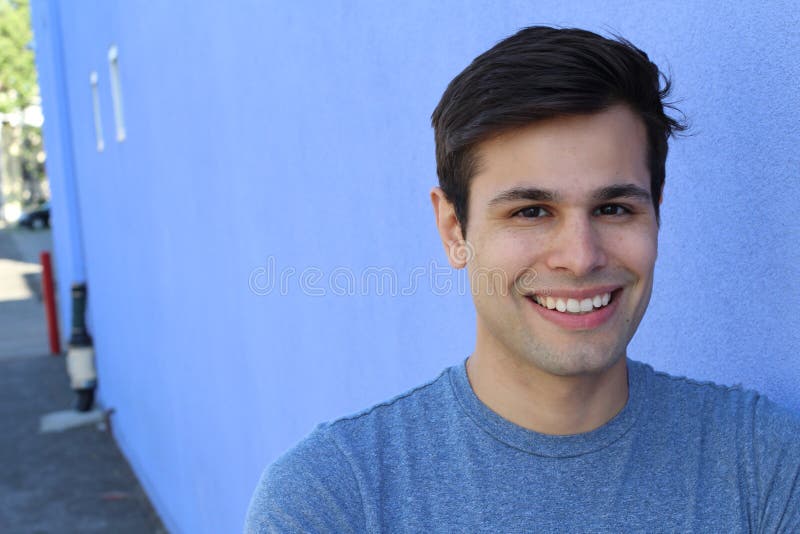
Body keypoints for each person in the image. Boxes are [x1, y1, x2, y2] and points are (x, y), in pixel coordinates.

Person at [245, 26, 800, 532]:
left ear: (657, 211)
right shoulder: (334, 501)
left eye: (613, 209)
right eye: (531, 211)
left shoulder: (762, 465)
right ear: (453, 229)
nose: (580, 258)